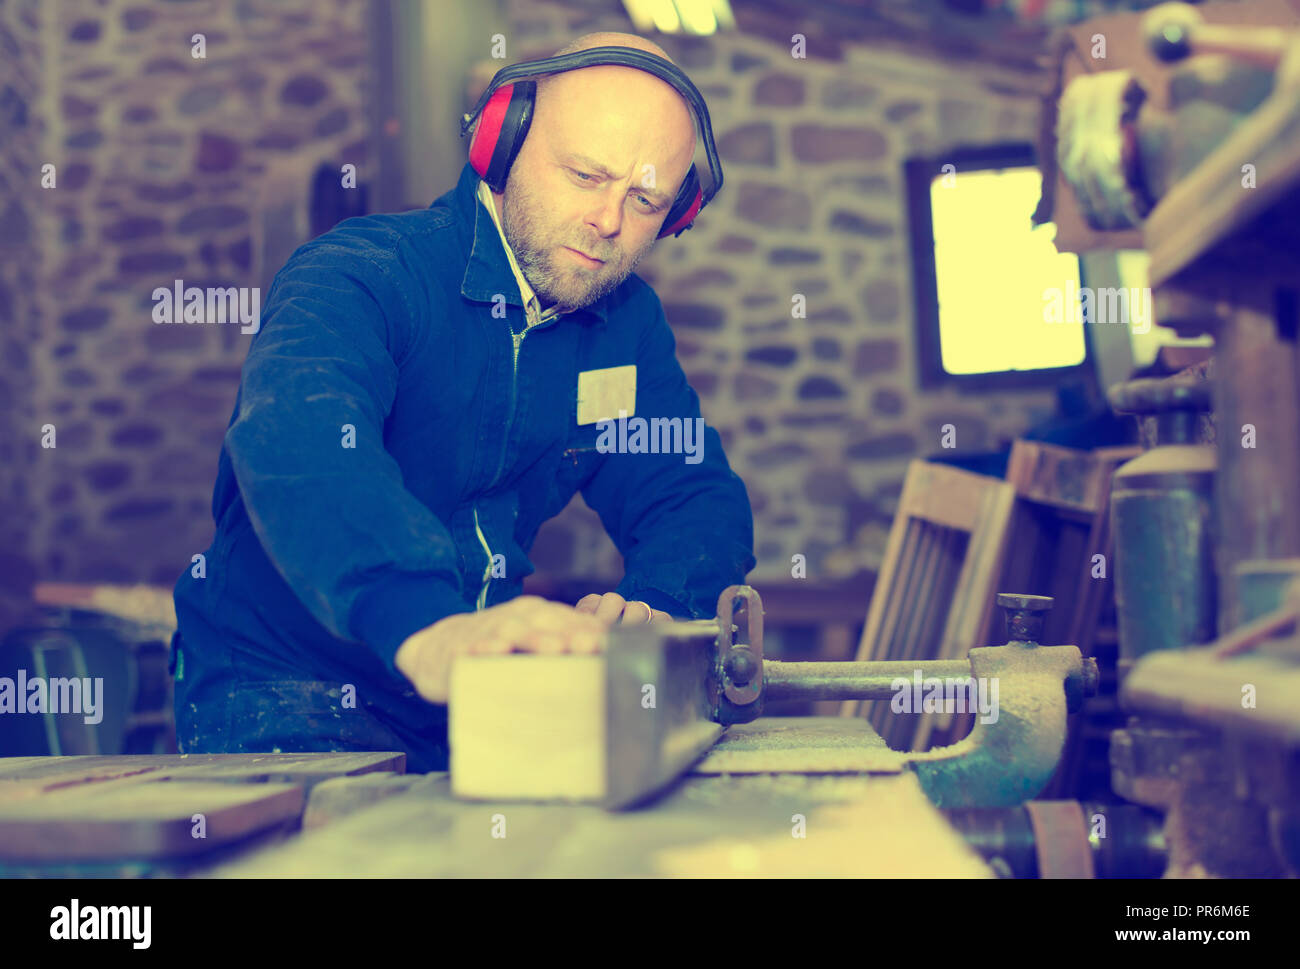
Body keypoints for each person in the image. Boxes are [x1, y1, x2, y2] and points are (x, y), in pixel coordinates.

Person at [170, 32, 756, 772]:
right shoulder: (358, 276)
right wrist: (425, 625)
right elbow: (304, 442)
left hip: (473, 700)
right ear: (499, 144)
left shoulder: (625, 324)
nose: (609, 222)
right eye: (584, 174)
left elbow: (691, 496)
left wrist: (655, 613)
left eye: (643, 200)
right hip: (286, 691)